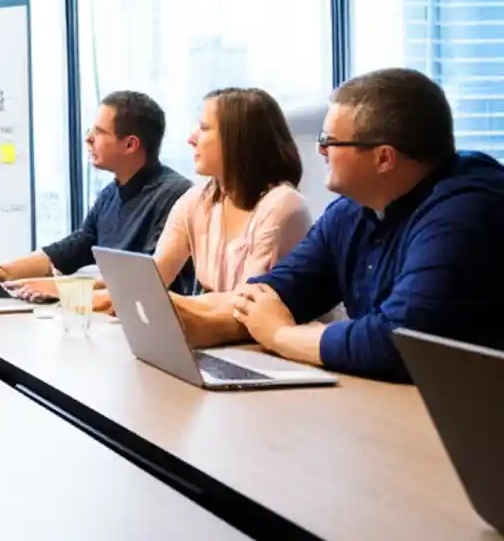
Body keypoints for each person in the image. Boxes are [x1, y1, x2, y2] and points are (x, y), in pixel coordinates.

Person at [177, 68, 504, 382]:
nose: (320, 150)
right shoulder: (351, 211)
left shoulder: (466, 211)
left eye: (329, 140)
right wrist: (181, 313)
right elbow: (274, 294)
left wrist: (281, 335)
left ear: (384, 158)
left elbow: (399, 341)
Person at [0, 91, 195, 301]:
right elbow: (76, 248)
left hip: (147, 314)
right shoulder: (111, 193)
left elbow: (145, 279)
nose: (88, 139)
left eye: (99, 132)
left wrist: (64, 289)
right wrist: (1, 272)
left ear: (130, 145)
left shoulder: (176, 195)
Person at [153, 88, 311, 295]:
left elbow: (246, 303)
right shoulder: (196, 200)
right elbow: (154, 278)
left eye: (204, 128)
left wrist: (174, 303)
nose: (191, 139)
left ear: (238, 139)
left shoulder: (282, 204)